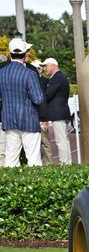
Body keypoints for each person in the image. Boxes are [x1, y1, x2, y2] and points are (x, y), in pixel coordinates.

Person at [0, 38, 44, 167]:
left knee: (11, 159)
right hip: (29, 119)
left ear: (10, 53)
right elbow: (38, 99)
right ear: (25, 54)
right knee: (34, 159)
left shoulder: (1, 73)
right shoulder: (29, 73)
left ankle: (12, 180)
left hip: (9, 119)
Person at [42, 58, 72, 164]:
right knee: (64, 140)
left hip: (58, 113)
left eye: (46, 66)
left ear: (53, 65)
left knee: (61, 140)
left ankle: (64, 163)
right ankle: (67, 163)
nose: (44, 68)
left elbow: (48, 95)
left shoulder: (57, 77)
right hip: (62, 112)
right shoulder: (60, 77)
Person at [31, 60, 54, 165]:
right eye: (35, 68)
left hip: (41, 116)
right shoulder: (28, 80)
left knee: (45, 142)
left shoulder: (46, 81)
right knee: (32, 143)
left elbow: (45, 100)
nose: (38, 70)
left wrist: (45, 118)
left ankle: (48, 165)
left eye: (39, 68)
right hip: (30, 116)